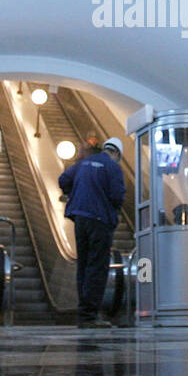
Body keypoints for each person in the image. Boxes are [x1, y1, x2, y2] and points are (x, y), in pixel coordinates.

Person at [58, 137, 126, 328]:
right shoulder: (113, 167)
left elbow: (63, 180)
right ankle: (89, 316)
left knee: (84, 265)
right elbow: (117, 196)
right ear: (116, 153)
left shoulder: (83, 163)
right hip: (100, 220)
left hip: (80, 218)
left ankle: (84, 314)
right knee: (97, 267)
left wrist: (75, 193)